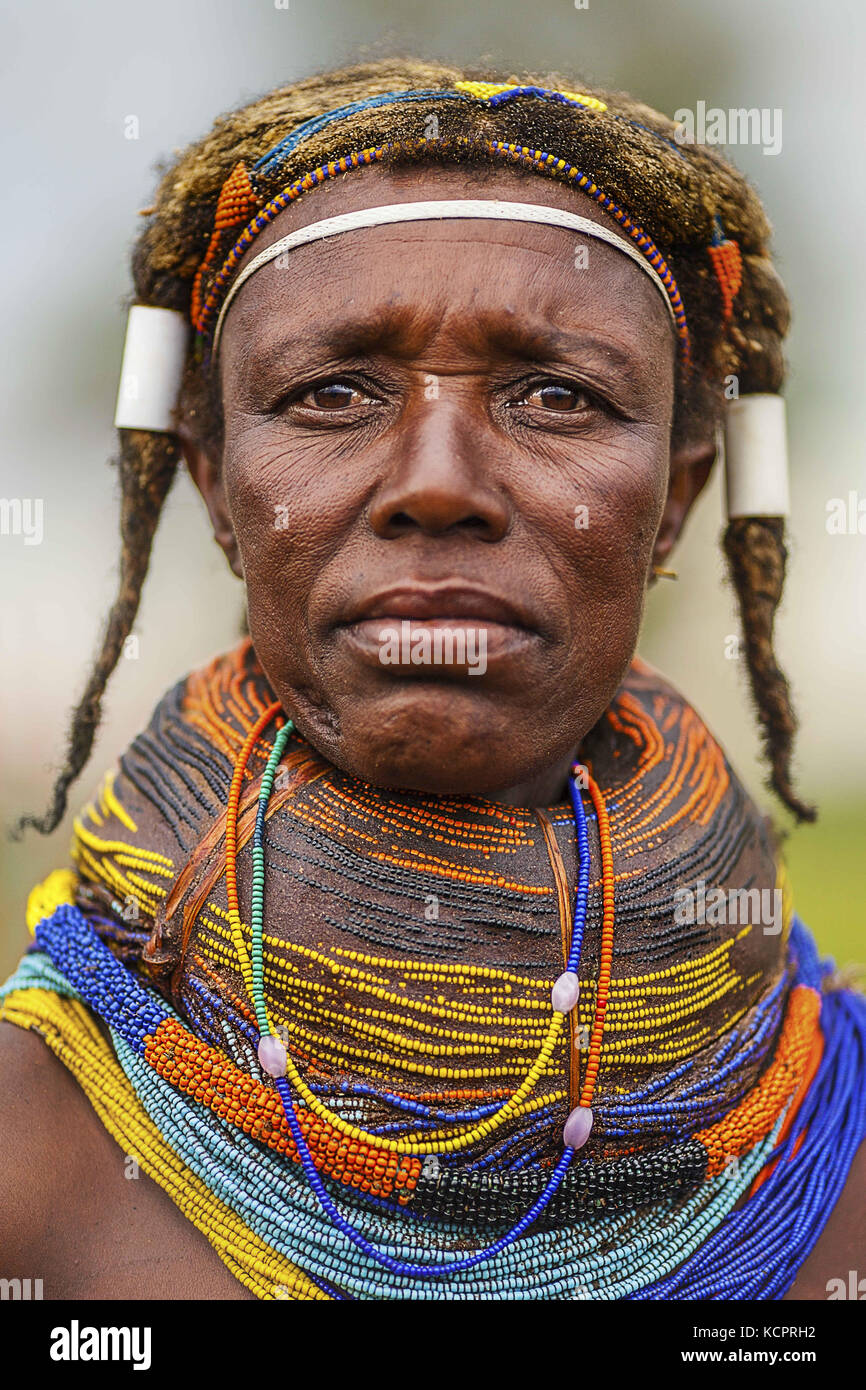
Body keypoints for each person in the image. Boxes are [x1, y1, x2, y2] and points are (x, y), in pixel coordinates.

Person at [1, 58, 863, 1301]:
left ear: (673, 498)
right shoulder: (34, 1150)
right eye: (332, 392)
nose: (438, 483)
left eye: (555, 395)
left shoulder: (818, 1127)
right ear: (214, 485)